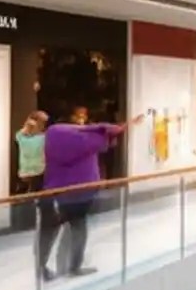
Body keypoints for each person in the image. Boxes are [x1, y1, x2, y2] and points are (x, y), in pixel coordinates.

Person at [40, 115, 140, 281]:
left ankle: (43, 266)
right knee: (79, 227)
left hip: (57, 191)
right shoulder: (88, 141)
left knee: (52, 230)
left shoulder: (52, 136)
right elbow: (102, 133)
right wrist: (125, 126)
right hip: (80, 193)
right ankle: (74, 267)